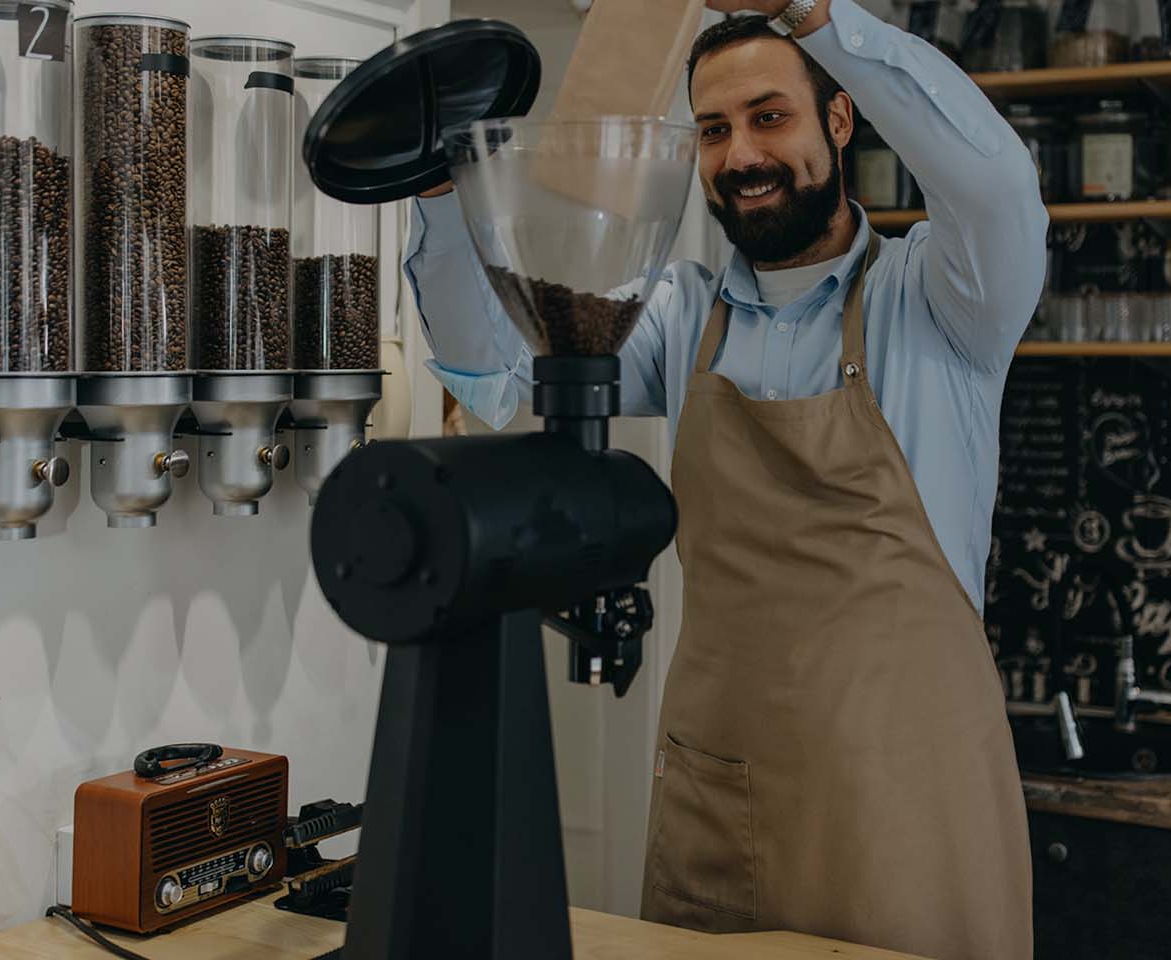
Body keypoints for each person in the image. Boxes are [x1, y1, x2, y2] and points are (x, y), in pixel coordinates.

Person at [402, 0, 1046, 955]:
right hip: (720, 793)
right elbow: (493, 372)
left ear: (840, 117)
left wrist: (814, 15)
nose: (741, 154)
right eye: (712, 129)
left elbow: (996, 188)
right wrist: (443, 190)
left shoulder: (942, 302)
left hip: (909, 809)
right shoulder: (678, 319)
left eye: (769, 117)